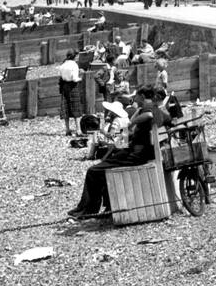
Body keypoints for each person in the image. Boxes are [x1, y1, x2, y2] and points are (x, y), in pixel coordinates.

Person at [68, 86, 172, 219]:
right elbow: (169, 119)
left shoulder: (149, 109)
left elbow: (148, 115)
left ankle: (87, 210)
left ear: (142, 96)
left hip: (137, 156)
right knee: (105, 164)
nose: (135, 99)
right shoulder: (158, 110)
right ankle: (109, 208)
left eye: (137, 96)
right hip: (146, 153)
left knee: (93, 171)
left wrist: (131, 123)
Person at [57, 51, 81, 136]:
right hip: (73, 86)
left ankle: (67, 129)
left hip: (64, 86)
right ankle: (78, 130)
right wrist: (80, 79)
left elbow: (60, 76)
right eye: (77, 56)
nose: (78, 58)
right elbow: (75, 78)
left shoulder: (63, 65)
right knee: (76, 107)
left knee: (66, 107)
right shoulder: (74, 65)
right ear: (74, 56)